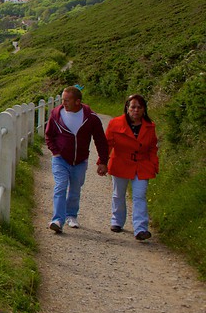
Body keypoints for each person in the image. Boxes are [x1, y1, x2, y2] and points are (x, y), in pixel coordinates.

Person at [44, 86, 109, 233]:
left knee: (75, 188)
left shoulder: (91, 118)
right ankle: (57, 220)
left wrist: (103, 161)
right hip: (60, 159)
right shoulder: (56, 114)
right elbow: (49, 135)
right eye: (62, 100)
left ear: (77, 101)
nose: (63, 103)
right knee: (60, 186)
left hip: (80, 160)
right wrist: (55, 152)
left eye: (67, 100)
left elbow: (100, 140)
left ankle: (71, 215)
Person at [106, 94, 159, 240]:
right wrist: (102, 162)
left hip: (142, 165)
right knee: (118, 194)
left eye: (139, 107)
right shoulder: (115, 123)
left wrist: (154, 164)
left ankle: (140, 229)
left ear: (144, 110)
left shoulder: (150, 126)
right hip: (121, 163)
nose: (136, 110)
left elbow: (153, 147)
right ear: (127, 108)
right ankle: (117, 221)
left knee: (139, 196)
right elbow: (108, 144)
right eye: (133, 107)